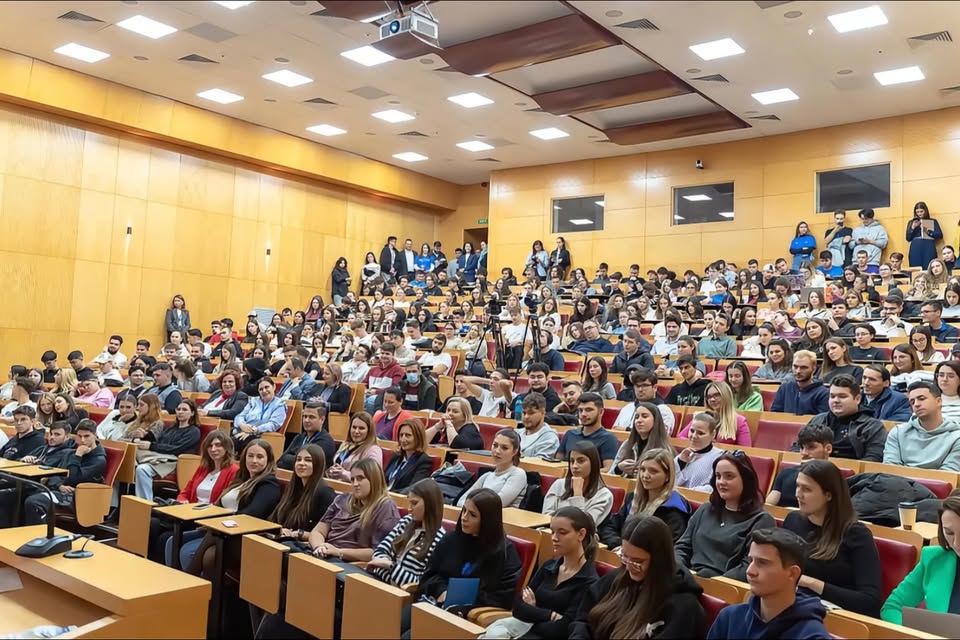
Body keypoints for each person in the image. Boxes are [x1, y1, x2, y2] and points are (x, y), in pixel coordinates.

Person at [570, 514, 705, 639]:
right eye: (625, 557)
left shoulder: (684, 606)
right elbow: (583, 619)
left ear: (659, 559)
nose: (629, 567)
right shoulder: (618, 578)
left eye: (638, 562)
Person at [408, 488, 521, 630]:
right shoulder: (450, 540)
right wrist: (442, 591)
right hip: (433, 604)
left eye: (472, 515)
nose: (464, 517)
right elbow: (430, 575)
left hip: (468, 618)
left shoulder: (504, 553)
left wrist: (463, 600)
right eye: (464, 510)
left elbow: (503, 598)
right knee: (391, 624)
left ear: (487, 520)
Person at [783, 459, 882, 616]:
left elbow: (869, 601)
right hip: (795, 606)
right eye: (797, 486)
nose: (798, 494)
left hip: (838, 618)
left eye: (807, 489)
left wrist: (812, 583)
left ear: (828, 495)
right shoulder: (793, 520)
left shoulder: (857, 535)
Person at [482, 506, 597, 639]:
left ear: (581, 534)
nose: (554, 538)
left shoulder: (589, 581)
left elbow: (564, 628)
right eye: (552, 531)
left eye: (562, 532)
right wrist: (550, 615)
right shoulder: (549, 566)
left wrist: (533, 612)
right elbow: (518, 608)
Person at [177, 439, 283, 571]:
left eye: (260, 457)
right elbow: (219, 505)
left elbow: (252, 514)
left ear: (269, 460)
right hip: (220, 528)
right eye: (250, 456)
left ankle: (189, 584)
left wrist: (218, 522)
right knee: (172, 540)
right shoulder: (241, 479)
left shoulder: (269, 484)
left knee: (191, 552)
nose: (254, 461)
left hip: (241, 535)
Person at [707, 528, 829, 640]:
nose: (750, 571)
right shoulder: (729, 617)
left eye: (762, 563)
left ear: (792, 573)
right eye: (751, 560)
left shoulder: (813, 636)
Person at [675, 452, 776, 579]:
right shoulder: (706, 509)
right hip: (687, 579)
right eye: (718, 476)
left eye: (729, 476)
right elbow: (682, 547)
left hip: (723, 588)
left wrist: (713, 583)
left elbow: (749, 566)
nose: (721, 482)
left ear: (746, 479)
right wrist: (680, 571)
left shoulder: (761, 520)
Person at [147, 431, 239, 563]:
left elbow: (223, 502)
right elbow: (186, 490)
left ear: (227, 447)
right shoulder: (204, 468)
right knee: (152, 525)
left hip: (204, 518)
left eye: (218, 445)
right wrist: (182, 501)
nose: (213, 449)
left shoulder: (232, 471)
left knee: (165, 538)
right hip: (187, 513)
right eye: (210, 446)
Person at [881, 490, 960, 623]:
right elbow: (891, 608)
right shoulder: (932, 559)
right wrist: (917, 634)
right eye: (949, 532)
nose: (956, 543)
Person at [16, 420, 106, 526]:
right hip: (59, 490)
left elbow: (73, 478)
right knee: (19, 493)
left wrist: (78, 456)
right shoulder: (70, 452)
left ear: (95, 436)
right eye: (79, 436)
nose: (82, 440)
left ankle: (39, 538)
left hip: (76, 496)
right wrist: (58, 485)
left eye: (87, 436)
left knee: (34, 502)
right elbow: (56, 472)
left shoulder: (99, 460)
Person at [367, 478, 445, 591]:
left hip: (402, 596)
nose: (409, 509)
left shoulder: (439, 539)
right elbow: (380, 551)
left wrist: (389, 566)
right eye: (409, 502)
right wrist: (386, 567)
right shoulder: (406, 521)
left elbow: (420, 583)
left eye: (414, 503)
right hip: (380, 584)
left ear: (430, 504)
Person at [607, 448, 692, 546]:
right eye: (642, 469)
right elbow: (610, 527)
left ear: (668, 476)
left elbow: (667, 546)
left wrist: (628, 550)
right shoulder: (632, 498)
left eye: (653, 471)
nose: (645, 475)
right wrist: (619, 546)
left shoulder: (674, 509)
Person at [797, 375, 887, 462]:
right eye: (832, 396)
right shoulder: (818, 420)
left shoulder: (873, 426)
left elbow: (873, 459)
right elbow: (797, 447)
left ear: (857, 399)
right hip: (812, 470)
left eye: (842, 396)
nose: (836, 400)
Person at [133, 399, 202, 501]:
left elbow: (177, 449)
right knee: (131, 459)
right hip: (160, 458)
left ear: (192, 413)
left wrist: (151, 446)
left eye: (184, 409)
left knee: (142, 469)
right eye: (178, 409)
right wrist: (145, 437)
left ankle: (145, 504)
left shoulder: (194, 431)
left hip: (175, 462)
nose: (180, 412)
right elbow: (159, 443)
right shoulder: (171, 428)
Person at [884, 381, 960, 471]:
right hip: (897, 483)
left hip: (936, 484)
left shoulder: (957, 437)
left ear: (939, 401)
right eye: (912, 402)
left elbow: (949, 474)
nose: (916, 404)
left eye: (921, 399)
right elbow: (890, 468)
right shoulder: (897, 432)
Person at [542, 442, 613, 525]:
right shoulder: (558, 485)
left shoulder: (604, 495)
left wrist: (577, 495)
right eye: (572, 461)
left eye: (581, 461)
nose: (574, 466)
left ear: (593, 464)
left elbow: (582, 526)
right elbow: (546, 518)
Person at [458, 429, 527, 507]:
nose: (497, 451)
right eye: (495, 445)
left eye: (504, 448)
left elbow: (496, 504)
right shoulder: (486, 476)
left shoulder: (518, 474)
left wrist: (471, 507)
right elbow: (461, 501)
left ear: (514, 452)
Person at [555, 393, 619, 470]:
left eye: (588, 410)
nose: (583, 414)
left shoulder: (608, 439)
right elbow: (557, 462)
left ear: (601, 412)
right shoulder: (570, 434)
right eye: (580, 410)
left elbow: (607, 470)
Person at [677, 381, 752, 446]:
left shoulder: (739, 421)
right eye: (709, 397)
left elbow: (745, 451)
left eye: (716, 395)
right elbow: (680, 438)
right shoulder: (703, 417)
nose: (712, 399)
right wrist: (700, 442)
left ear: (725, 396)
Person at [611, 400, 672, 477]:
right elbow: (610, 474)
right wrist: (618, 468)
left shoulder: (664, 449)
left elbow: (666, 478)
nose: (639, 420)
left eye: (644, 416)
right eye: (636, 417)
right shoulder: (628, 443)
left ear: (655, 420)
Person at [277, 402, 337, 470]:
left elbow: (307, 465)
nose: (306, 420)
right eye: (305, 416)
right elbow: (281, 459)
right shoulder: (299, 437)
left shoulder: (326, 441)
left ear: (322, 419)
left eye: (311, 417)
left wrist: (290, 458)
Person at [675, 412, 725, 492]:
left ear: (713, 435)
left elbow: (713, 488)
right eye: (692, 431)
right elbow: (667, 483)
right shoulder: (681, 457)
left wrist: (686, 492)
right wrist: (681, 463)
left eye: (700, 433)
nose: (694, 436)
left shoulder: (720, 457)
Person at [232, 377, 287, 449]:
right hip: (242, 431)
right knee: (223, 439)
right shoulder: (253, 401)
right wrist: (242, 425)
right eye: (261, 389)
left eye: (267, 387)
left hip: (261, 436)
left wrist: (254, 430)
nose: (264, 391)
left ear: (274, 387)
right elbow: (239, 416)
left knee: (234, 443)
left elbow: (273, 425)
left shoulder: (279, 404)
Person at [328, 412, 383, 482]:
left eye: (361, 428)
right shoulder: (345, 444)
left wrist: (346, 474)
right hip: (336, 484)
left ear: (369, 431)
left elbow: (373, 477)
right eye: (354, 427)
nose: (356, 431)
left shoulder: (373, 450)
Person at [384, 419, 435, 494]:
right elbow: (383, 479)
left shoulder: (423, 460)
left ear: (418, 437)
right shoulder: (396, 456)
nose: (403, 439)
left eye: (407, 435)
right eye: (401, 435)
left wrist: (388, 494)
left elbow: (413, 488)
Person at [770, 350, 829, 415]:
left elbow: (822, 420)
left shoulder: (823, 393)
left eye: (803, 368)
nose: (798, 371)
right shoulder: (784, 388)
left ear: (813, 369)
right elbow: (775, 414)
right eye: (795, 367)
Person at [517, 392, 561, 460]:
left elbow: (539, 464)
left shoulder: (549, 437)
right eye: (524, 413)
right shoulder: (516, 433)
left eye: (531, 413)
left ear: (543, 412)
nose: (526, 417)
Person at [906, 201, 943, 268]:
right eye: (917, 212)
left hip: (928, 246)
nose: (919, 214)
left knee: (929, 266)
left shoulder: (932, 221)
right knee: (915, 267)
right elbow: (908, 238)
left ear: (925, 211)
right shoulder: (911, 222)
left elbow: (940, 235)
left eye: (921, 211)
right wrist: (913, 227)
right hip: (915, 247)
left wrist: (928, 232)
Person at [852, 208, 888, 273]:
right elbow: (850, 245)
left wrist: (870, 241)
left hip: (872, 262)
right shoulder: (856, 229)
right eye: (862, 219)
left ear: (872, 217)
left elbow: (884, 243)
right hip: (856, 262)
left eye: (866, 219)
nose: (864, 221)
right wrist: (856, 242)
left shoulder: (880, 229)